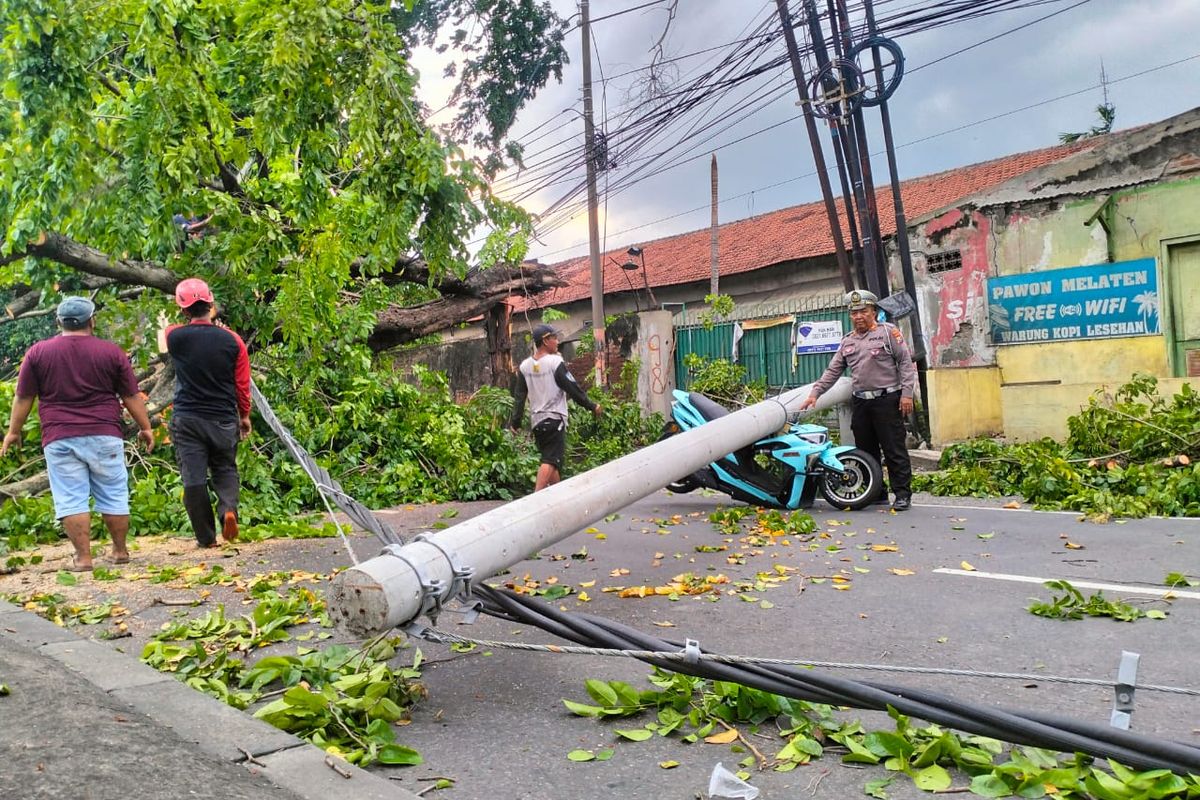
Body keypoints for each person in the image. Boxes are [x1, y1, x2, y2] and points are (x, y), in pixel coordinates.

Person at [1, 297, 154, 571]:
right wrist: (145, 427)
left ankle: (83, 558)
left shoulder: (38, 353)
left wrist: (13, 431)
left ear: (58, 321)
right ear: (92, 321)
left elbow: (24, 397)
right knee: (113, 492)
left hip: (60, 436)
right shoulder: (111, 352)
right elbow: (131, 395)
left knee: (71, 497)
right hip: (105, 433)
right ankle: (119, 552)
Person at [800, 289, 917, 511]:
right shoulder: (847, 341)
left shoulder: (888, 333)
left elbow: (905, 363)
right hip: (861, 403)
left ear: (873, 311)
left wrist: (907, 394)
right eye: (853, 313)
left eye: (863, 311)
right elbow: (833, 371)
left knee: (894, 450)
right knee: (866, 450)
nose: (858, 316)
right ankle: (877, 493)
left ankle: (902, 495)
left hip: (888, 400)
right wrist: (815, 393)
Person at [163, 278, 251, 548]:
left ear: (183, 310)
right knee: (225, 467)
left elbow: (177, 331)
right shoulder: (233, 341)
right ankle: (228, 509)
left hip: (188, 417)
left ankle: (206, 538)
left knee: (194, 477)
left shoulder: (173, 336)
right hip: (223, 417)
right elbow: (242, 383)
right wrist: (244, 416)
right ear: (211, 304)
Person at [509, 324, 603, 491]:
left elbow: (519, 397)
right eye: (554, 338)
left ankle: (559, 497)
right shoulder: (555, 362)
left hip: (537, 423)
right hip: (554, 420)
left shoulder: (524, 367)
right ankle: (536, 499)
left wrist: (515, 422)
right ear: (545, 341)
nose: (557, 341)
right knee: (551, 461)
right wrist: (592, 406)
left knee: (551, 460)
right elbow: (573, 389)